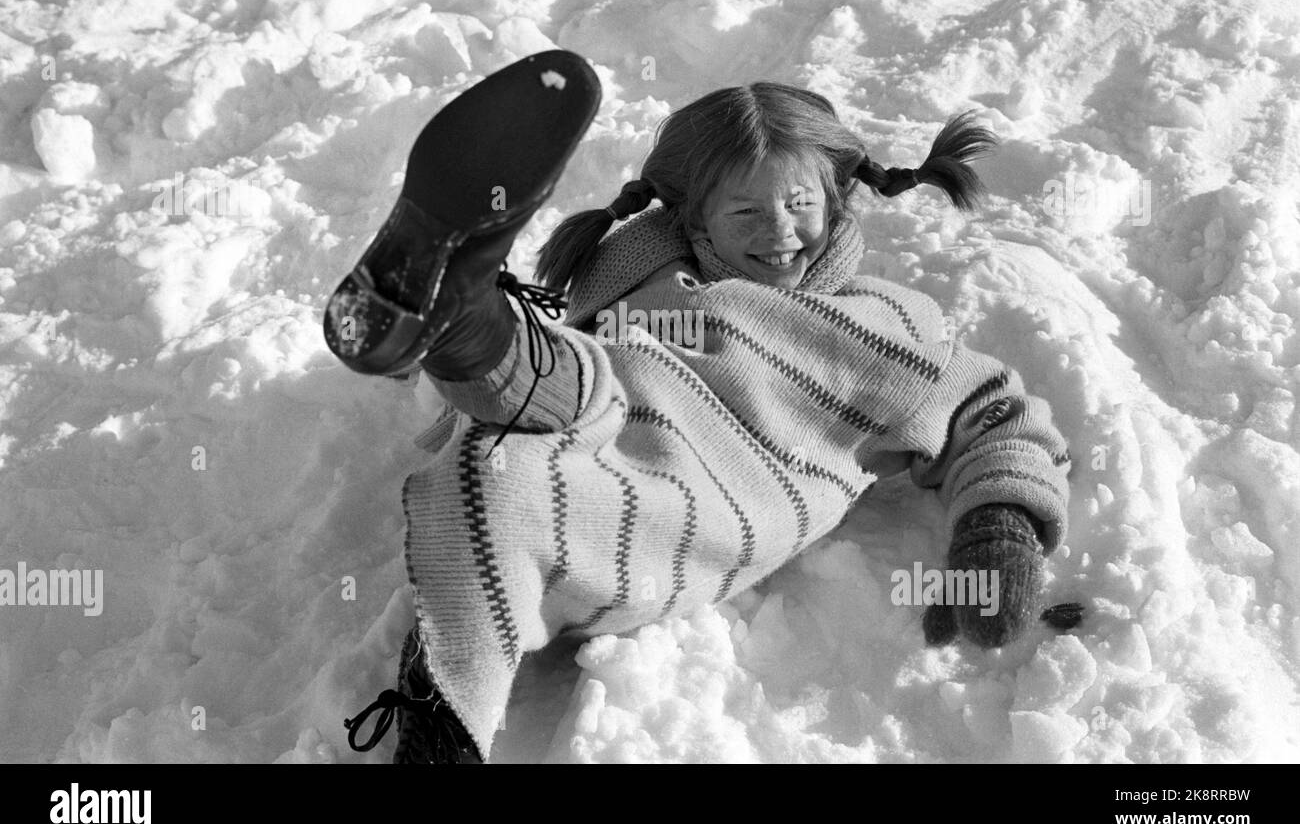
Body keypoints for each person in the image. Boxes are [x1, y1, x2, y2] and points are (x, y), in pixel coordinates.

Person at [324, 50, 1073, 763]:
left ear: (837, 199)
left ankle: (468, 329)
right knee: (491, 466)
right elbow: (577, 374)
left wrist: (997, 535)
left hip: (697, 498)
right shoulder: (630, 276)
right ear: (694, 220)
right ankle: (454, 321)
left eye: (799, 202)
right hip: (600, 413)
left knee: (514, 453)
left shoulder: (886, 329)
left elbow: (999, 415)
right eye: (745, 213)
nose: (779, 231)